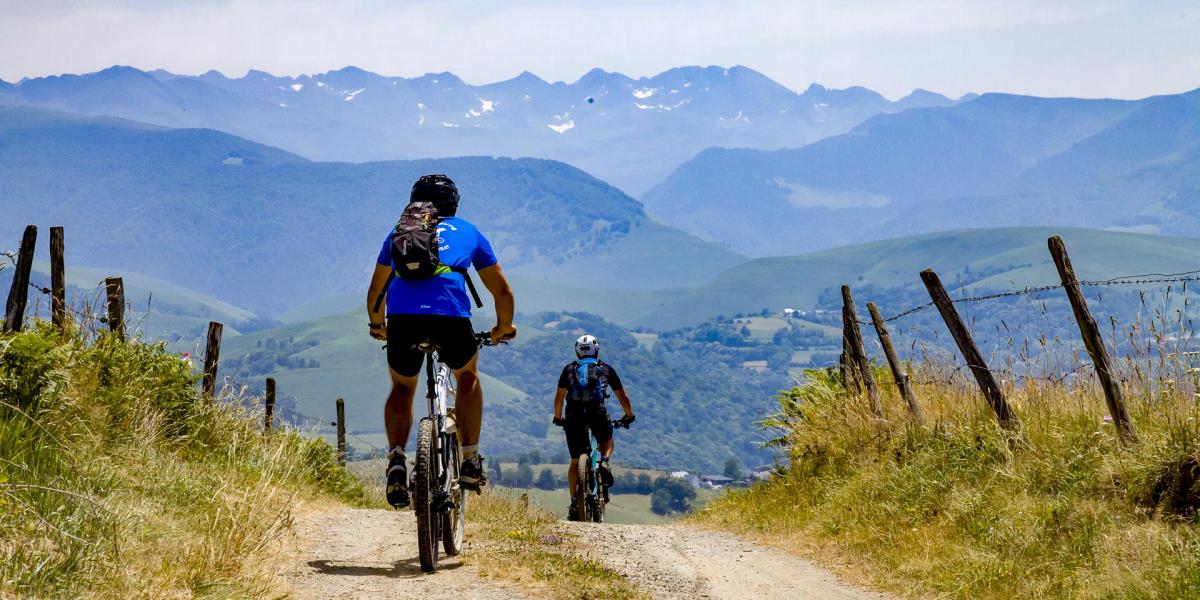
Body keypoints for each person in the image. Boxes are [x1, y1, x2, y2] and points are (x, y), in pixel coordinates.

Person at [367, 174, 516, 509]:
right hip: (450, 319)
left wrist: (378, 325)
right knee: (468, 376)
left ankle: (396, 458)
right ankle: (470, 460)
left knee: (402, 387)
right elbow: (502, 291)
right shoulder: (469, 232)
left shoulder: (399, 233)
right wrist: (503, 327)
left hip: (403, 321)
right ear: (455, 204)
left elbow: (376, 290)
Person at [552, 334, 635, 520]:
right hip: (597, 413)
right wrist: (629, 416)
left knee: (575, 461)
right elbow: (623, 396)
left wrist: (558, 417)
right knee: (607, 441)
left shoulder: (569, 369)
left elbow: (559, 398)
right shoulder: (605, 369)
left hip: (574, 416)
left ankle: (575, 502)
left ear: (577, 352)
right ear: (596, 350)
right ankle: (603, 461)